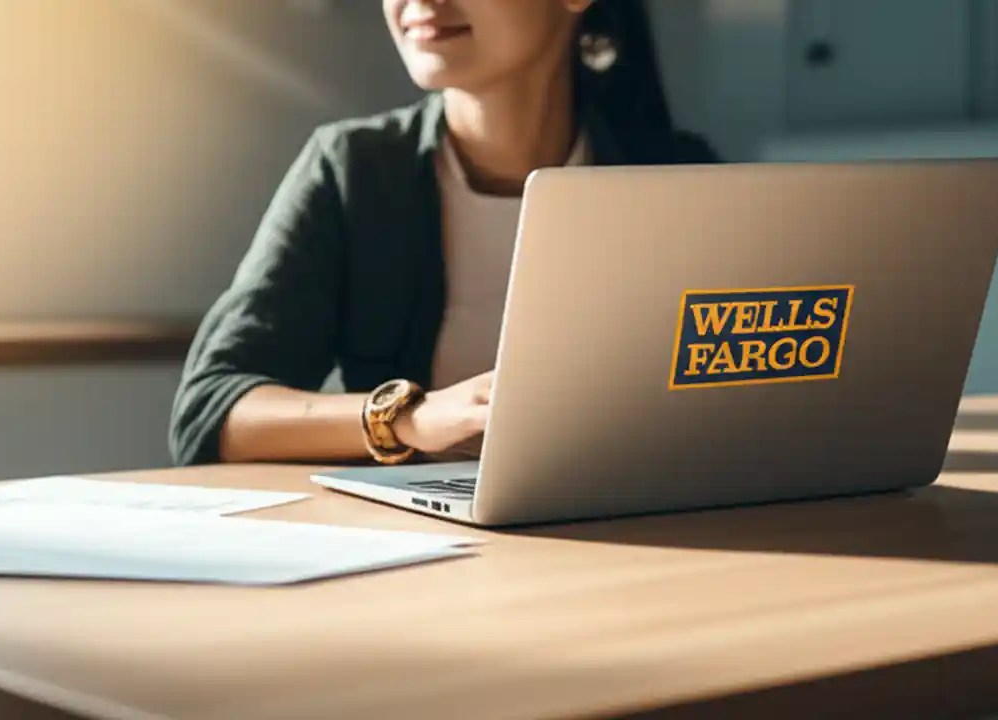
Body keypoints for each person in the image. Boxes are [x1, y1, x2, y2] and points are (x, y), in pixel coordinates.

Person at [171, 0, 716, 466]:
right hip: (415, 565)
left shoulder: (681, 179)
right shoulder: (354, 171)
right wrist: (408, 417)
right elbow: (209, 410)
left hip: (630, 549)